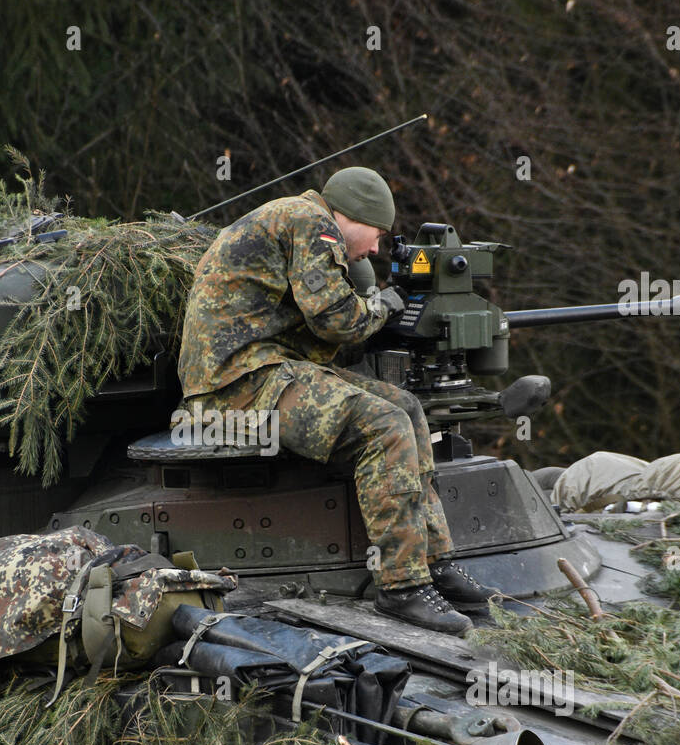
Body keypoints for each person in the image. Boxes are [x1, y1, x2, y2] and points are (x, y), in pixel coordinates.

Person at [177, 166, 499, 634]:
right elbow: (338, 322)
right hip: (234, 386)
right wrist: (390, 304)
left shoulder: (294, 218)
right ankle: (402, 587)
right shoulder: (312, 222)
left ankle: (434, 562)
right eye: (376, 235)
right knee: (382, 425)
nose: (373, 249)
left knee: (406, 408)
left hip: (266, 369)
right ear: (351, 215)